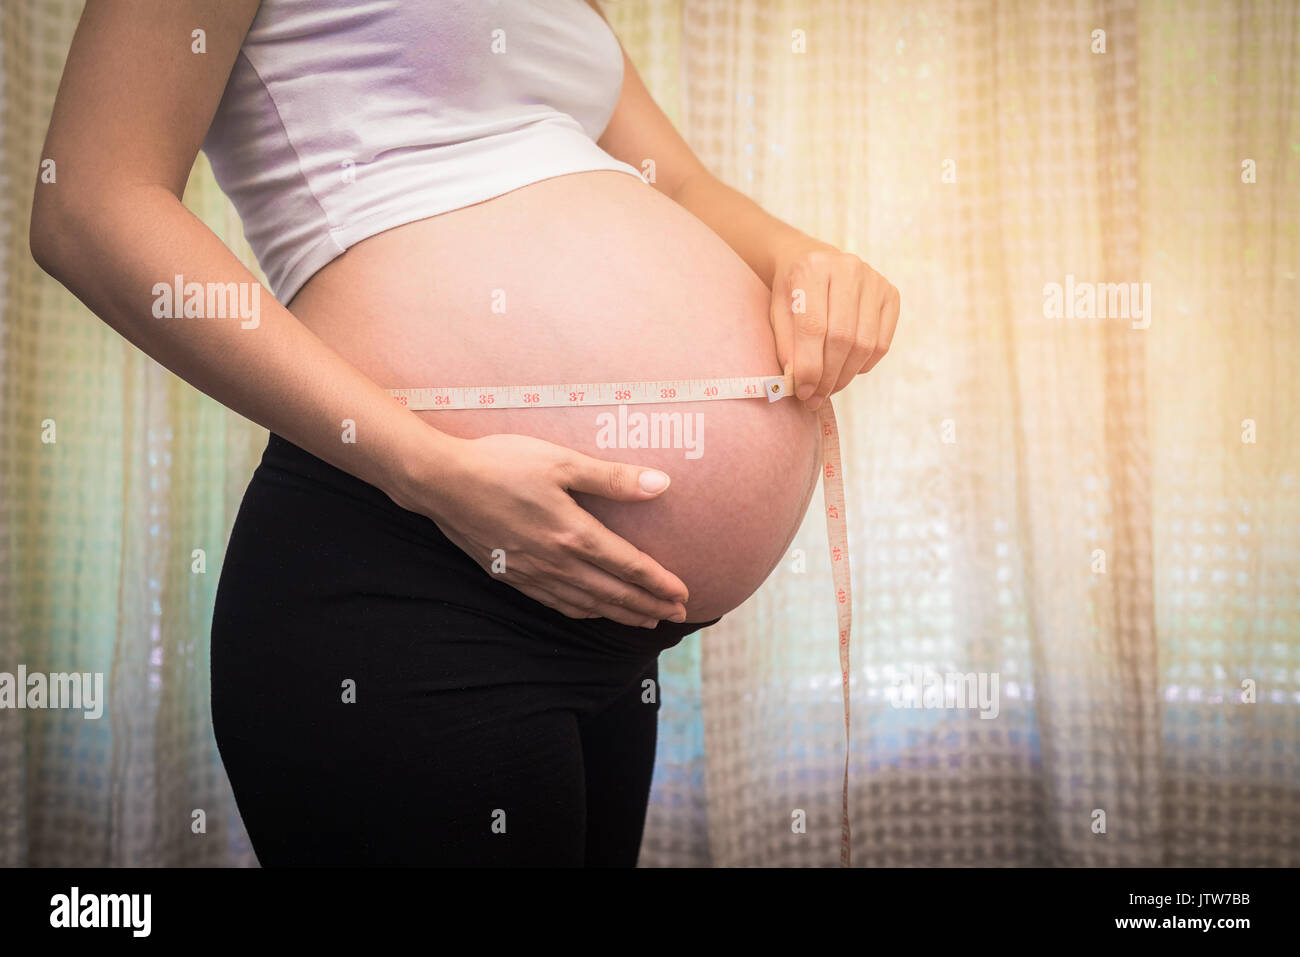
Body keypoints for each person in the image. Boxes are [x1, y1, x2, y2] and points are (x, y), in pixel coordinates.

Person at [31, 0, 900, 866]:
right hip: (406, 576)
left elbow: (672, 180)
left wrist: (798, 259)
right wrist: (426, 467)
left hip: (603, 628)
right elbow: (91, 204)